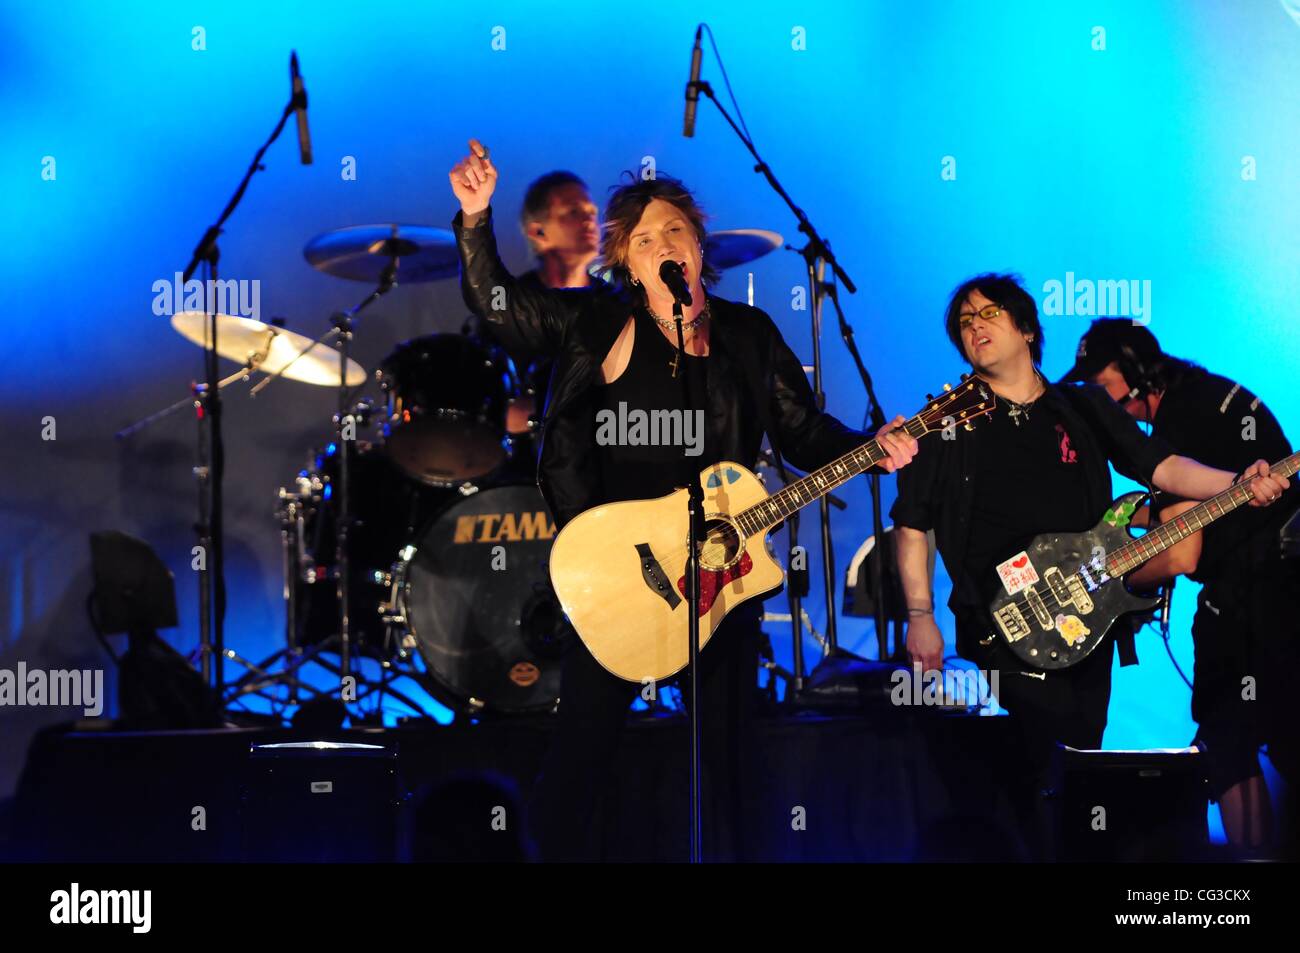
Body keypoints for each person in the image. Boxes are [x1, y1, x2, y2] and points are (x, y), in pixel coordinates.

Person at [448, 139, 919, 860]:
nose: (663, 244)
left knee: (729, 755)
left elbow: (800, 430)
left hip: (720, 576)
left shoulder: (747, 335)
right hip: (615, 565)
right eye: (644, 237)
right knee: (583, 751)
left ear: (699, 246)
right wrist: (475, 218)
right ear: (624, 261)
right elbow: (500, 306)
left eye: (675, 230)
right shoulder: (597, 323)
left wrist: (872, 444)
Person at [890, 274, 1289, 858]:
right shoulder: (946, 420)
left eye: (989, 314)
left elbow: (1162, 468)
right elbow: (912, 521)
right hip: (1002, 624)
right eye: (964, 322)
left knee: (1078, 771)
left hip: (1086, 620)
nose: (974, 325)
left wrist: (1239, 483)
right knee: (1021, 782)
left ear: (1027, 330)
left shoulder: (1082, 406)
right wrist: (919, 612)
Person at [1065, 318, 1299, 854]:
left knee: (1227, 738)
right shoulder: (1208, 395)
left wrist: (1102, 581)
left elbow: (1181, 550)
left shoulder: (1178, 422)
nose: (1096, 400)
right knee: (1281, 736)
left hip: (1248, 598)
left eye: (1102, 385)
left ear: (1135, 371)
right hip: (1283, 585)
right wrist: (1137, 512)